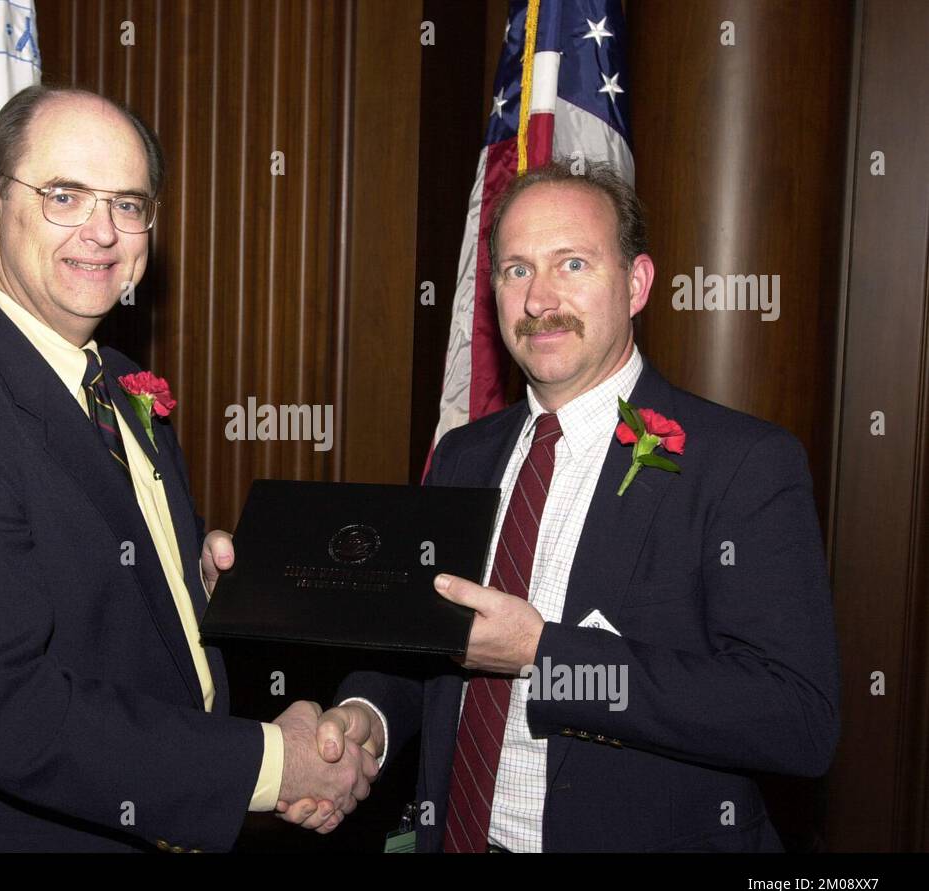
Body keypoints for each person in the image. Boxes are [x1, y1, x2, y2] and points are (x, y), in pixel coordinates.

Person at [0, 84, 376, 852]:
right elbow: (10, 713)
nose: (102, 232)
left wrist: (196, 588)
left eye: (128, 203)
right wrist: (276, 764)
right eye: (64, 195)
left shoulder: (111, 377)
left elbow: (98, 594)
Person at [281, 159, 840, 851]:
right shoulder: (463, 456)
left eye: (571, 264)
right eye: (516, 270)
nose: (539, 300)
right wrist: (367, 717)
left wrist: (546, 656)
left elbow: (795, 720)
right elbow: (421, 644)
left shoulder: (742, 463)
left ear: (636, 285)